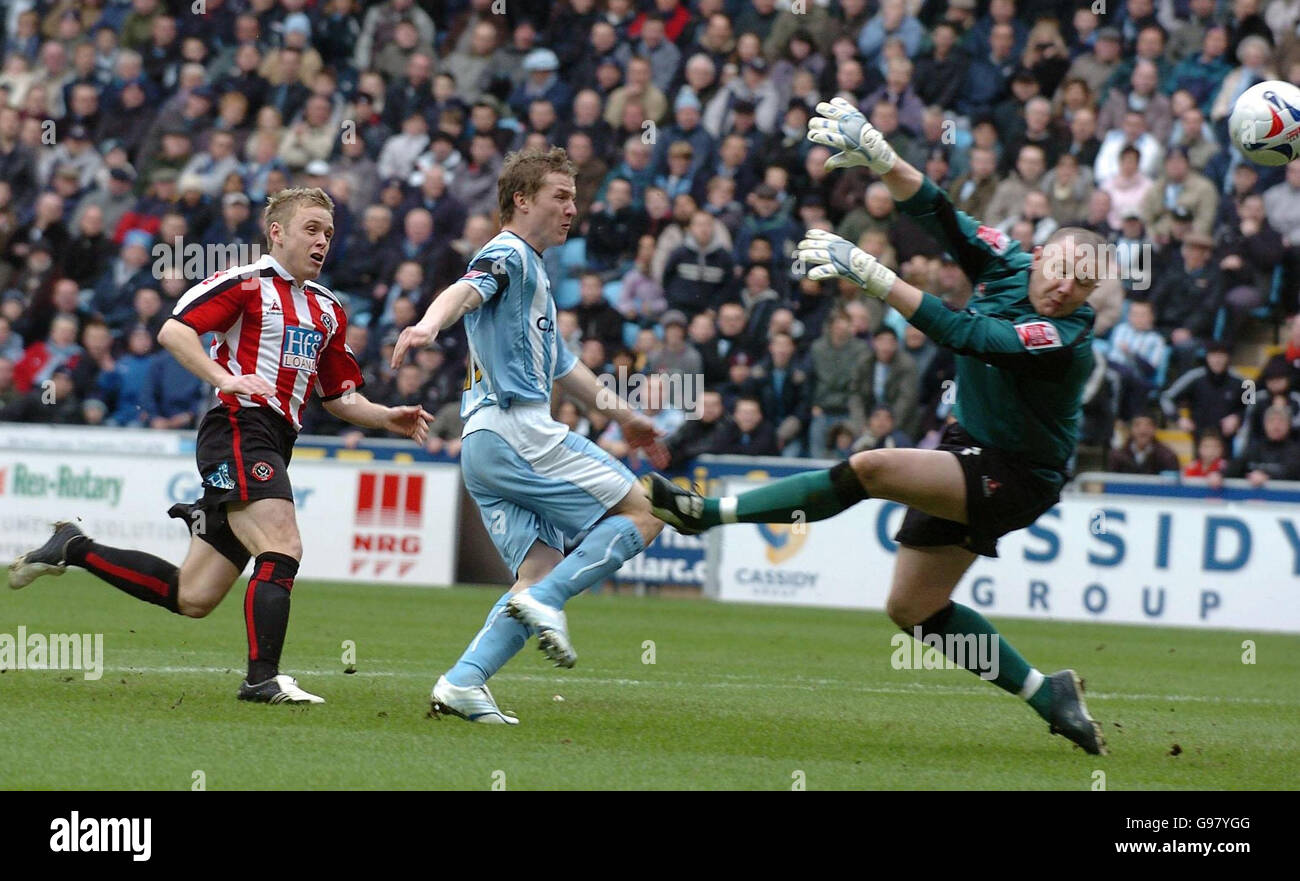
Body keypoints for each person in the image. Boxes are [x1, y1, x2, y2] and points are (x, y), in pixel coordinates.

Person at [649, 98, 1106, 754]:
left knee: (873, 468)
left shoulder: (1062, 338)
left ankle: (707, 513)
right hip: (971, 446)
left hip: (1017, 473)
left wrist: (871, 274)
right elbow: (941, 213)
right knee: (913, 610)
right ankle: (1047, 692)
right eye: (1063, 270)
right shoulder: (1006, 261)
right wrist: (883, 156)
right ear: (1041, 257)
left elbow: (964, 333)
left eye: (1084, 284)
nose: (1066, 288)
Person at [8, 187, 434, 705]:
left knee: (192, 596)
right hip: (237, 426)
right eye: (311, 229)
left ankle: (72, 547)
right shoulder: (246, 283)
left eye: (328, 232)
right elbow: (174, 332)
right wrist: (222, 377)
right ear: (277, 233)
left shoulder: (328, 309)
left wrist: (386, 416)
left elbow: (338, 397)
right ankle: (261, 679)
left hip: (276, 439)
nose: (322, 241)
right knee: (282, 545)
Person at [391, 147, 665, 724]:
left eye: (573, 198)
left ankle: (463, 682)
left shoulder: (534, 271)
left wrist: (626, 417)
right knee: (646, 511)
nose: (572, 209)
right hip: (519, 429)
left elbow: (566, 366)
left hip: (484, 443)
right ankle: (549, 600)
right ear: (521, 199)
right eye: (559, 197)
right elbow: (467, 288)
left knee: (538, 568)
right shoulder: (509, 253)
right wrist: (429, 324)